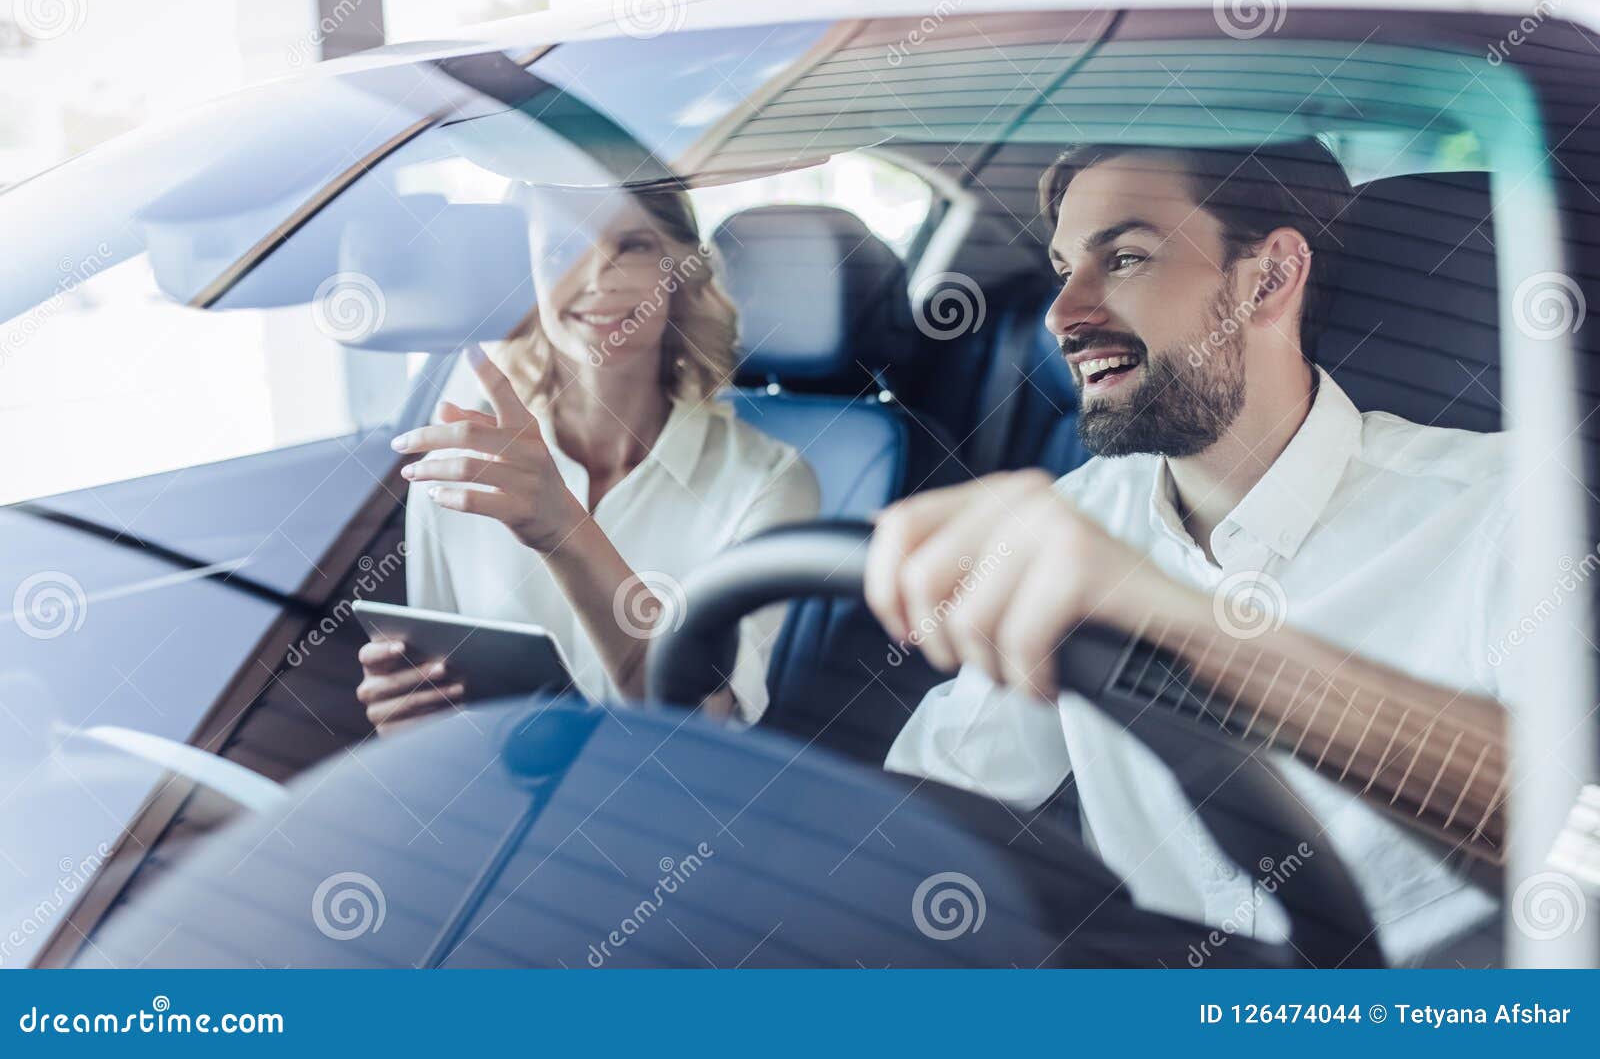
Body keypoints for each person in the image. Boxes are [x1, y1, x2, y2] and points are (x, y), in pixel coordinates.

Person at [866, 140, 1519, 963]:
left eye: (1127, 258)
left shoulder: (1509, 507)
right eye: (1064, 267)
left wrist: (1183, 625)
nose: (1064, 314)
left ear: (1270, 279)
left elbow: (1577, 842)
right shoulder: (1071, 526)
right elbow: (928, 811)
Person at [358, 184, 819, 733]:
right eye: (560, 250)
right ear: (523, 272)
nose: (600, 278)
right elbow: (440, 687)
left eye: (634, 245)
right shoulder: (467, 458)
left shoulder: (768, 483)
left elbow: (702, 725)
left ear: (678, 268)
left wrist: (564, 529)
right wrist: (414, 714)